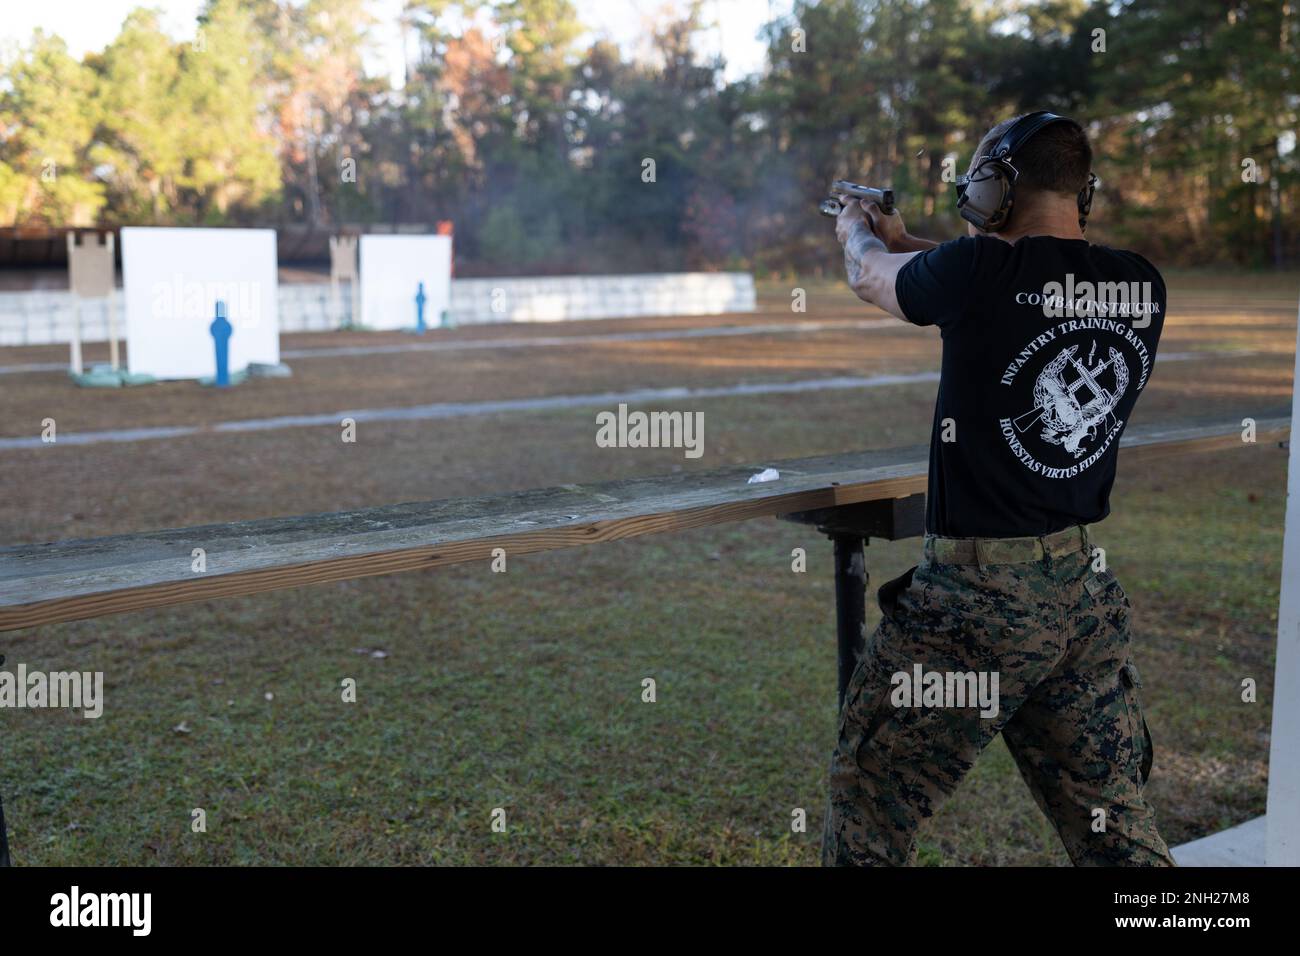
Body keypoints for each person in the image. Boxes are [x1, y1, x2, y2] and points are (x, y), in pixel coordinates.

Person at [825, 111, 1175, 866]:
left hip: (976, 604)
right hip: (1080, 596)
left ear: (998, 185)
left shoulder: (981, 275)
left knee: (870, 799)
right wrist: (901, 240)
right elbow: (996, 283)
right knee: (1112, 826)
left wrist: (857, 232)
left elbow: (874, 280)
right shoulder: (1140, 284)